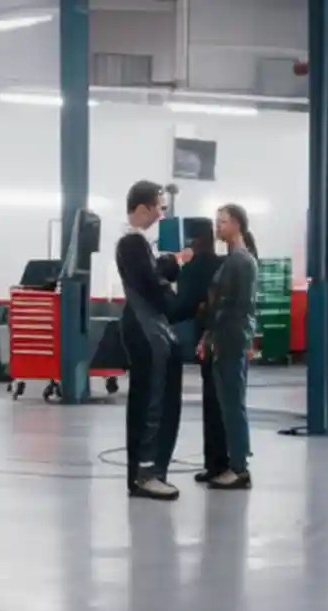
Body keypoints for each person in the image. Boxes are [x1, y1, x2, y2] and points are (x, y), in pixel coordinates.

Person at [116, 180, 192, 501]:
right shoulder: (132, 243)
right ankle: (147, 473)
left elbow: (152, 273)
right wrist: (185, 299)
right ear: (144, 207)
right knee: (153, 403)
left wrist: (172, 263)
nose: (161, 214)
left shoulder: (136, 245)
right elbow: (151, 283)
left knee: (151, 400)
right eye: (160, 207)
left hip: (149, 331)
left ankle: (146, 472)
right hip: (148, 334)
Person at [199, 203, 258, 490]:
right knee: (228, 403)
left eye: (221, 222)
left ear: (236, 223)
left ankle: (239, 468)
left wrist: (226, 338)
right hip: (226, 338)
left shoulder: (241, 262)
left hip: (231, 339)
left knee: (233, 404)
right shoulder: (234, 260)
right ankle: (234, 463)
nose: (217, 227)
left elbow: (239, 306)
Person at [166, 219, 228, 483]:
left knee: (213, 403)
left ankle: (217, 465)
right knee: (226, 403)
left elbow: (181, 307)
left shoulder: (194, 268)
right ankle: (226, 463)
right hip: (230, 338)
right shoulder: (225, 263)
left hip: (209, 339)